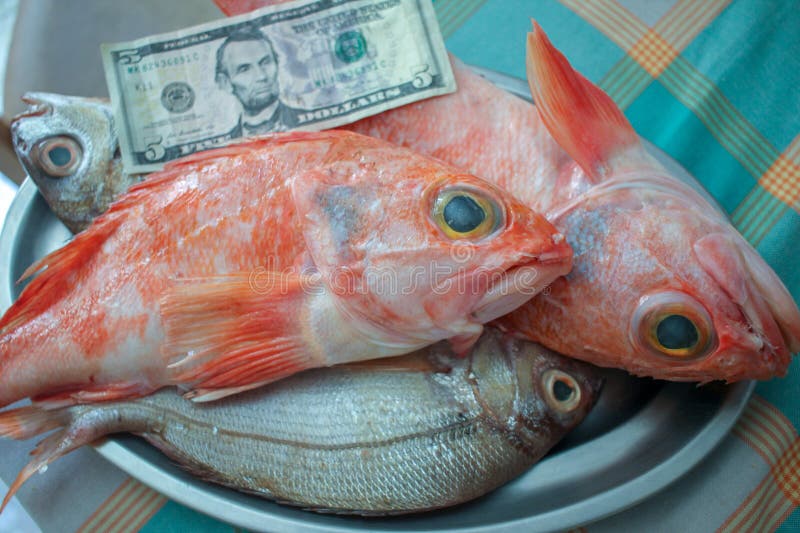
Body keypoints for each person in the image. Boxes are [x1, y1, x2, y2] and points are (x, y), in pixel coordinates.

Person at [215, 26, 299, 137]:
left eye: (265, 62)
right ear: (225, 83)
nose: (261, 76)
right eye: (244, 69)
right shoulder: (222, 146)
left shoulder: (316, 124)